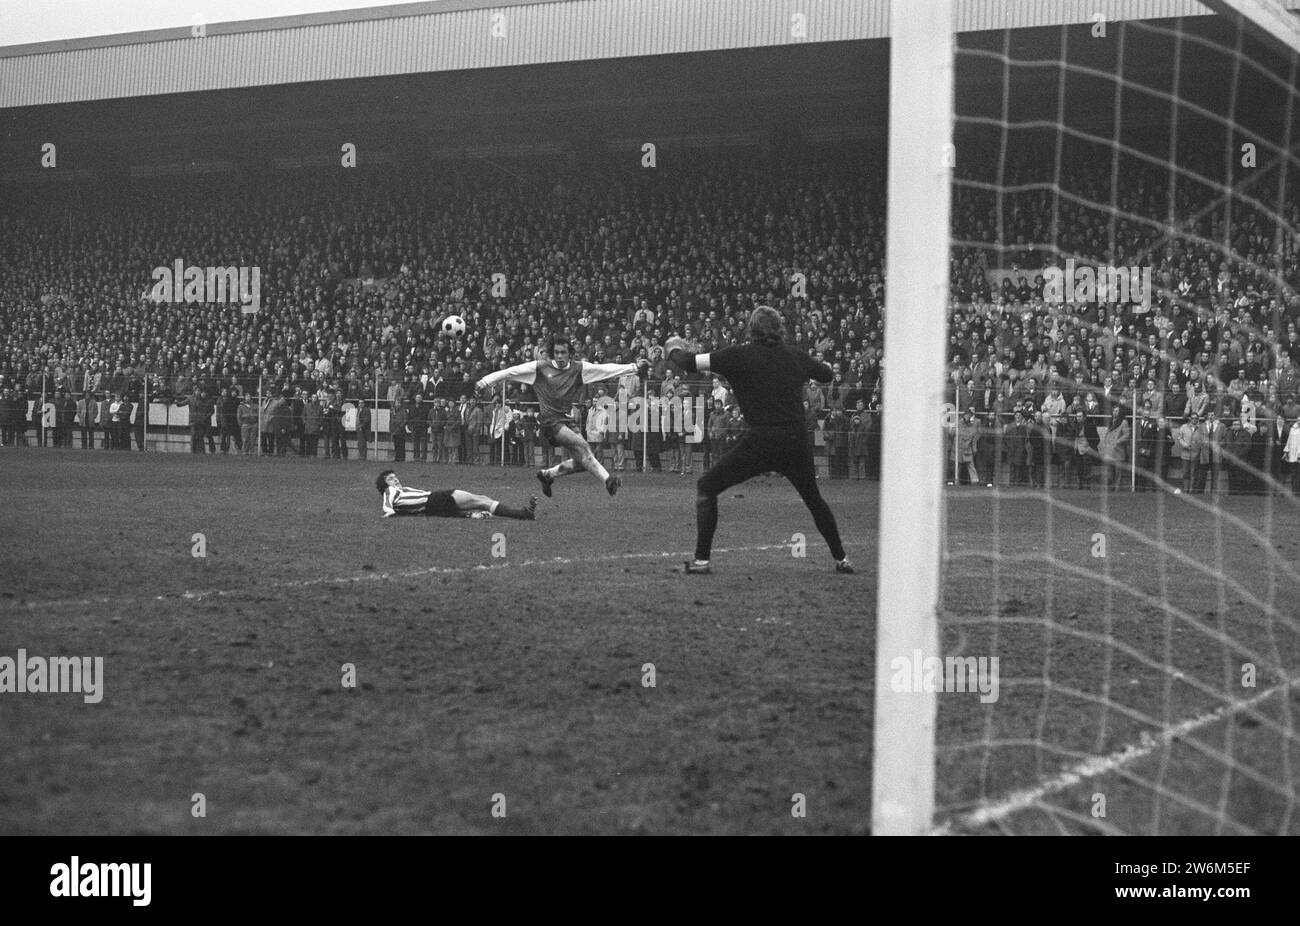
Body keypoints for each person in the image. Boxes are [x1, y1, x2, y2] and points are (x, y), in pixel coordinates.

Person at [664, 305, 854, 574]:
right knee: (814, 499)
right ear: (779, 329)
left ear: (751, 330)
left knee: (707, 487)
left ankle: (701, 561)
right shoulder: (794, 356)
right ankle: (841, 559)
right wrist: (801, 362)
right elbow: (826, 374)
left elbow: (689, 363)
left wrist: (673, 348)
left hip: (761, 439)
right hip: (795, 439)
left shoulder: (737, 355)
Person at [475, 337, 647, 498]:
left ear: (570, 353)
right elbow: (511, 371)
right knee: (583, 446)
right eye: (556, 352)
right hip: (549, 422)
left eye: (563, 352)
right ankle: (609, 480)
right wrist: (484, 382)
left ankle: (547, 474)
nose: (559, 356)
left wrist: (634, 368)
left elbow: (605, 370)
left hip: (566, 419)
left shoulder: (579, 368)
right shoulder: (540, 368)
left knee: (583, 462)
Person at [376, 470, 537, 521]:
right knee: (481, 500)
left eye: (395, 476)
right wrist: (389, 511)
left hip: (434, 507)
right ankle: (523, 514)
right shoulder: (390, 491)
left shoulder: (403, 490)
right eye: (390, 478)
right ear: (385, 484)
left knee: (482, 501)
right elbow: (387, 503)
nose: (395, 479)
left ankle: (523, 514)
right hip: (437, 499)